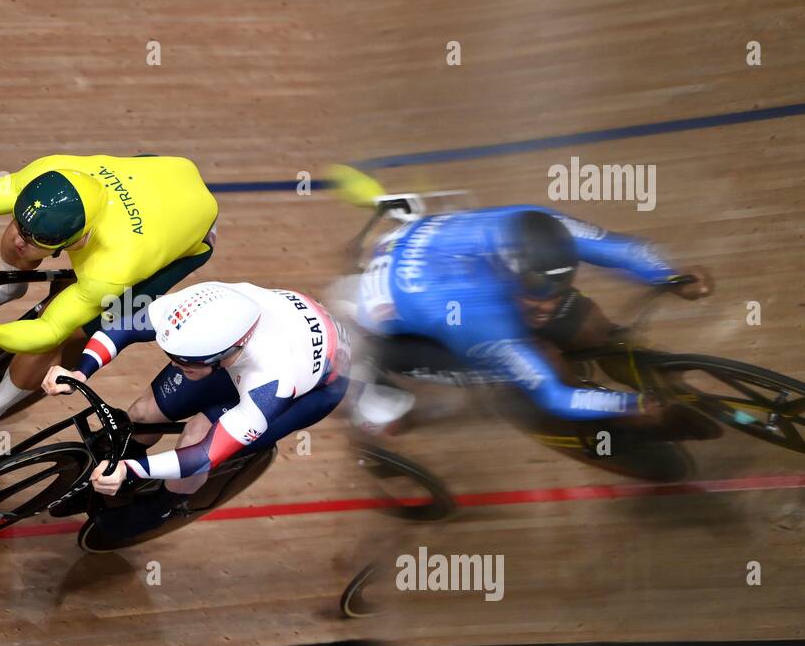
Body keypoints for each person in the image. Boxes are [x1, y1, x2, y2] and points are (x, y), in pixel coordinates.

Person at [325, 173, 713, 442]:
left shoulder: (537, 224)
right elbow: (554, 395)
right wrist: (628, 406)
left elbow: (618, 247)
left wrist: (669, 274)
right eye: (536, 294)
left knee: (591, 324)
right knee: (542, 362)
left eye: (556, 288)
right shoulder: (469, 314)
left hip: (430, 260)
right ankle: (371, 405)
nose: (548, 306)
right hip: (404, 331)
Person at [0, 154, 219, 456]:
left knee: (70, 331)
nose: (18, 238)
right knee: (23, 239)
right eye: (21, 224)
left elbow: (50, 328)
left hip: (183, 237)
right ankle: (9, 288)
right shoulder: (50, 172)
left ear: (79, 239)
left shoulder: (114, 266)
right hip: (156, 172)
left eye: (36, 238)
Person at [42, 281, 350, 537]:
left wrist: (129, 470)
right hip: (265, 336)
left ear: (223, 355)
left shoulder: (273, 378)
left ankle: (162, 506)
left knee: (196, 434)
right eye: (171, 355)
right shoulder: (195, 305)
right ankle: (124, 471)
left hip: (315, 388)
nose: (174, 365)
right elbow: (122, 328)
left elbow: (201, 456)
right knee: (142, 414)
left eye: (184, 361)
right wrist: (80, 371)